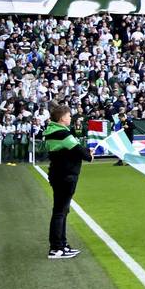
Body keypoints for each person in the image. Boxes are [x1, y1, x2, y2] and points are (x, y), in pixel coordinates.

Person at [43, 103, 91, 260]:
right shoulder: (63, 134)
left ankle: (62, 245)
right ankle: (56, 247)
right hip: (65, 175)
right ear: (63, 118)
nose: (71, 118)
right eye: (69, 115)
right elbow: (80, 151)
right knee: (60, 211)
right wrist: (88, 154)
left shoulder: (54, 131)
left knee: (62, 211)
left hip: (59, 175)